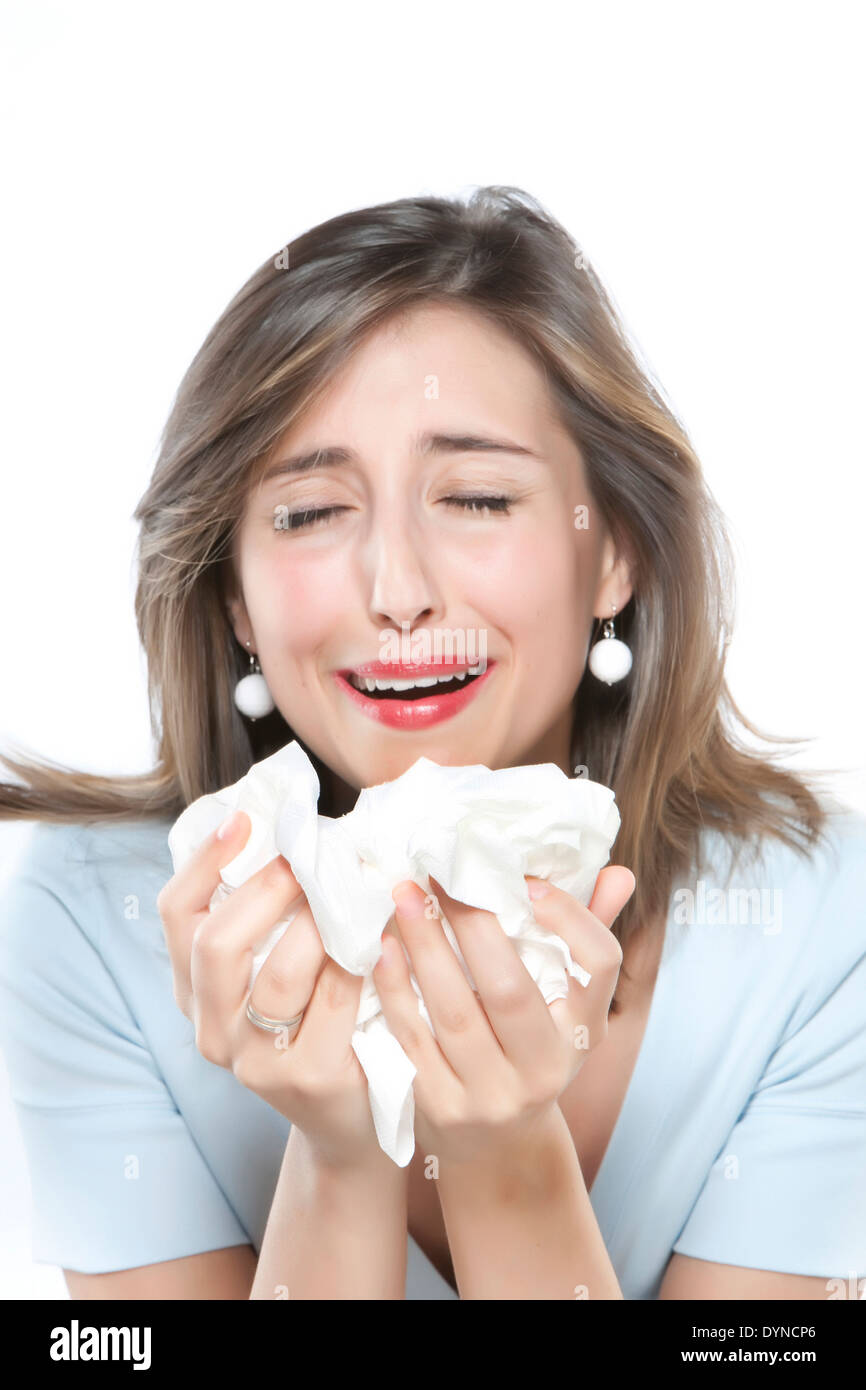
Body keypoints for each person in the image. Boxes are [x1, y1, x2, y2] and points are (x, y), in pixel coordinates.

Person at [0, 186, 863, 1301]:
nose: (397, 591)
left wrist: (508, 1158)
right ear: (235, 604)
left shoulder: (817, 929)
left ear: (615, 554)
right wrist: (340, 1152)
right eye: (309, 511)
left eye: (476, 496)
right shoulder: (96, 922)